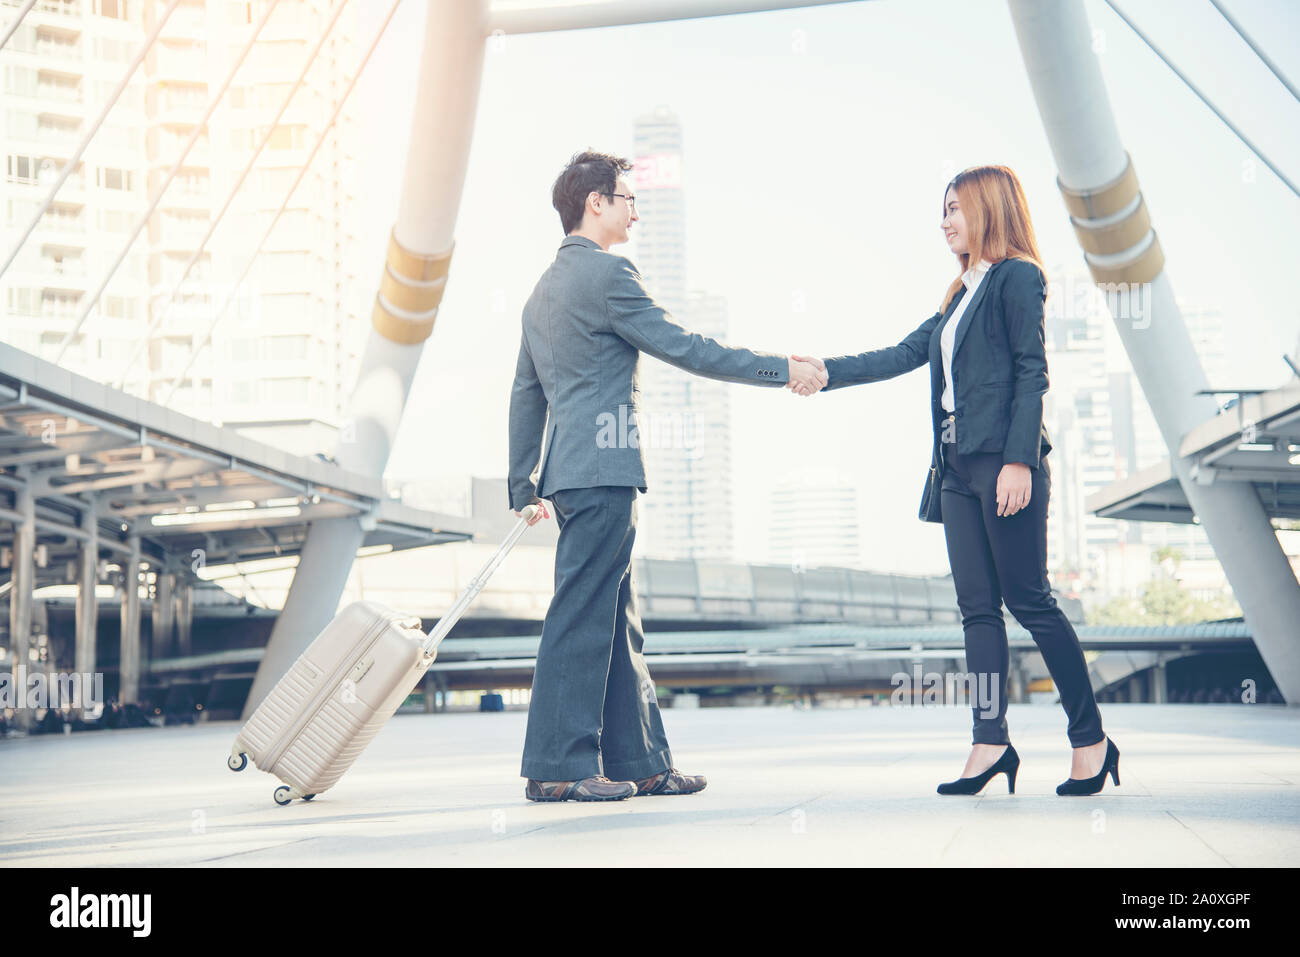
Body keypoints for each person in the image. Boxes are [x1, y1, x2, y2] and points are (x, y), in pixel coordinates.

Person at [508, 149, 826, 802]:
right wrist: (780, 367)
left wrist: (523, 484)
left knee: (615, 619)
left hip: (571, 475)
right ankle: (557, 766)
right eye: (627, 198)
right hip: (602, 471)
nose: (635, 210)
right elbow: (686, 346)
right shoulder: (606, 274)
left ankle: (643, 760)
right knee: (582, 616)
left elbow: (524, 394)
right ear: (594, 202)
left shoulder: (540, 293)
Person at [795, 165, 1119, 797]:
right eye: (942, 210)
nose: (945, 221)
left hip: (1004, 462)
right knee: (977, 611)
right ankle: (990, 742)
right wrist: (822, 370)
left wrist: (1019, 461)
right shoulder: (956, 294)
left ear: (990, 209)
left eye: (956, 208)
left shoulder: (1017, 278)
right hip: (955, 470)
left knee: (1031, 602)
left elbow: (1032, 373)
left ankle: (1090, 741)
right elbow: (899, 354)